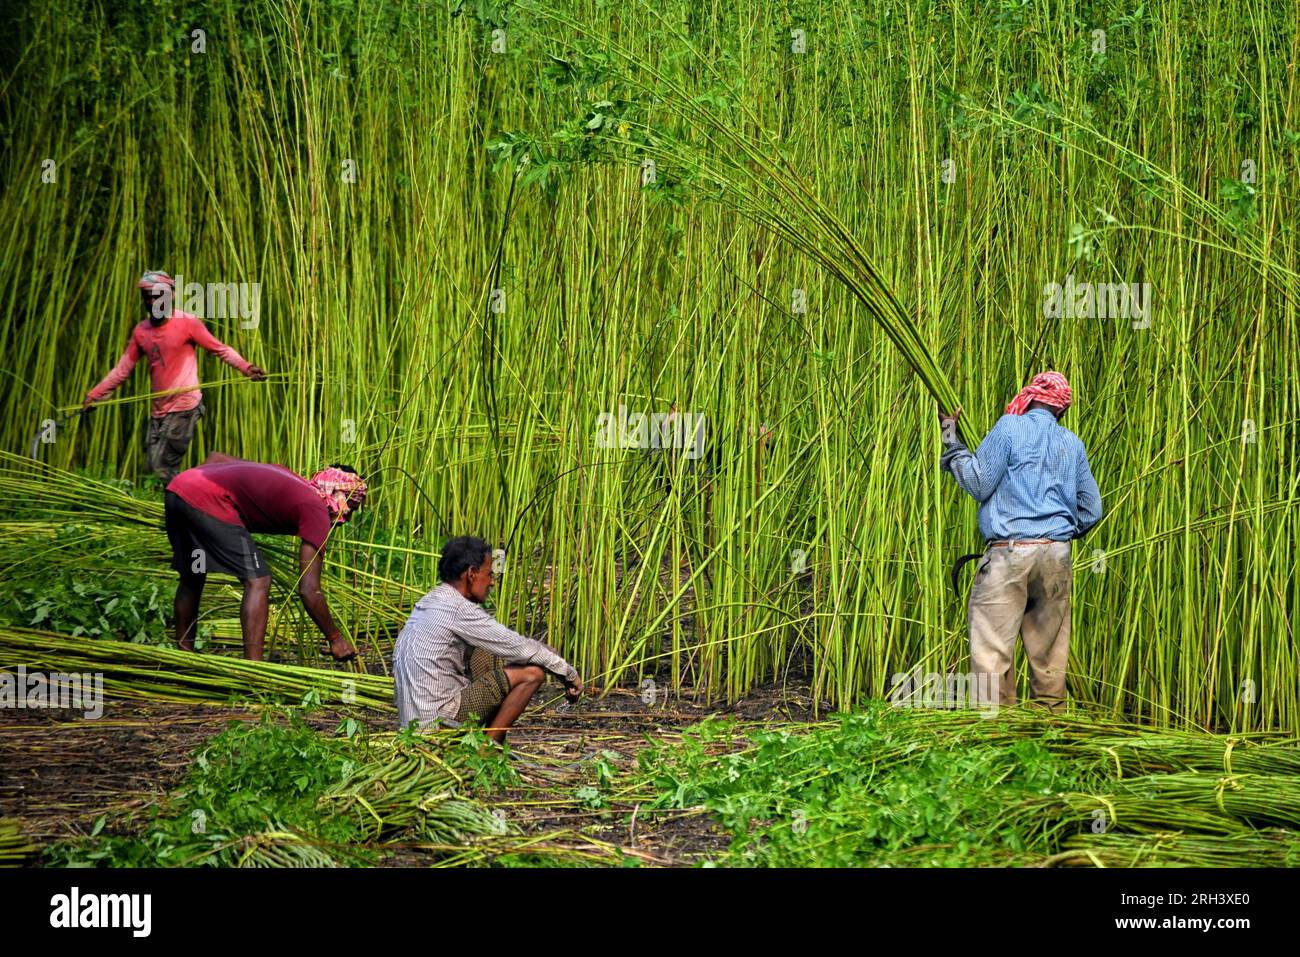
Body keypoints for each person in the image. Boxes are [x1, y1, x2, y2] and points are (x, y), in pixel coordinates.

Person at [937, 371, 1102, 711]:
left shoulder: (1009, 428)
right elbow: (1092, 509)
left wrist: (950, 439)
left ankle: (995, 736)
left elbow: (980, 484)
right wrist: (1057, 534)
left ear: (1028, 397)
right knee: (1050, 657)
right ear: (1060, 409)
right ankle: (1052, 732)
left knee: (992, 652)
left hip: (1011, 553)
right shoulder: (1072, 443)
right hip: (1056, 555)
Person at [163, 453, 366, 662]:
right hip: (208, 502)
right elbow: (308, 589)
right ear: (337, 494)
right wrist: (336, 638)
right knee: (258, 580)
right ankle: (254, 671)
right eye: (352, 508)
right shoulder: (316, 510)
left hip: (178, 490)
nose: (348, 518)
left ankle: (183, 658)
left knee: (194, 574)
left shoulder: (288, 476)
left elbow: (215, 458)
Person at [393, 536, 583, 742]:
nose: (492, 582)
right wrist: (567, 673)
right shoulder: (458, 609)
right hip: (438, 720)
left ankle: (478, 738)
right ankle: (489, 748)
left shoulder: (430, 601)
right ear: (471, 574)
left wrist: (543, 653)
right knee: (532, 673)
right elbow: (517, 646)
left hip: (412, 723)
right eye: (489, 574)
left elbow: (508, 646)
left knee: (488, 650)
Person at [83, 271, 267, 483]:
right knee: (150, 471)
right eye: (147, 296)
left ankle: (171, 508)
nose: (152, 300)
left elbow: (220, 349)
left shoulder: (187, 323)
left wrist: (246, 367)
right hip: (158, 411)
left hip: (184, 407)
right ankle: (168, 505)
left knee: (161, 468)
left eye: (157, 295)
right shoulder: (141, 331)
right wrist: (95, 395)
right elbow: (122, 370)